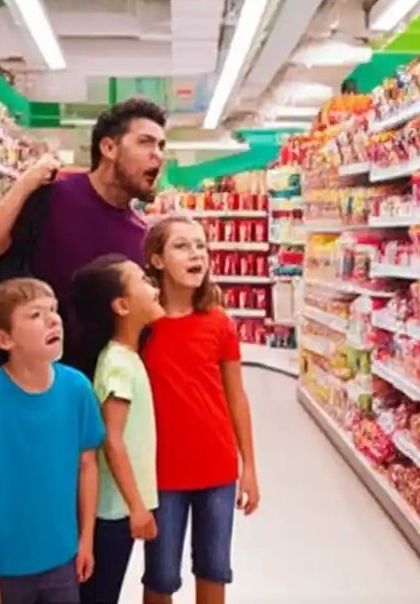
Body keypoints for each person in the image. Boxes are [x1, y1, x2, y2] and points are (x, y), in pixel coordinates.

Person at [0, 97, 167, 404]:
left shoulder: (139, 237)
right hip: (20, 393)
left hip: (88, 401)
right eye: (145, 142)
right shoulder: (51, 197)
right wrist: (24, 185)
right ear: (108, 147)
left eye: (161, 146)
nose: (158, 155)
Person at [0, 278, 105, 604]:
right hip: (3, 566)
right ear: (4, 339)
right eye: (35, 315)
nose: (53, 320)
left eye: (53, 310)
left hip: (62, 558)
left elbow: (88, 466)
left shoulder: (78, 388)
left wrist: (87, 539)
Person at [140, 216, 260, 604]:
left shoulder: (220, 323)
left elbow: (236, 396)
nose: (196, 254)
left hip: (217, 468)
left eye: (201, 245)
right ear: (156, 259)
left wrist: (249, 467)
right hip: (162, 472)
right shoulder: (143, 326)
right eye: (182, 246)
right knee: (160, 576)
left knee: (214, 569)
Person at [69, 255, 165, 604]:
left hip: (118, 506)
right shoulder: (118, 364)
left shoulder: (124, 357)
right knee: (100, 594)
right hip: (114, 508)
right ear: (122, 306)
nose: (153, 287)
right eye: (143, 281)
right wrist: (137, 506)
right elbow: (112, 439)